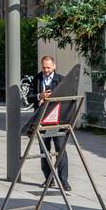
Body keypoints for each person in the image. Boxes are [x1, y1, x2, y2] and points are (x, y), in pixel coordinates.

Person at [30, 55, 70, 192]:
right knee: (44, 151)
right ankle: (48, 179)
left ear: (54, 66)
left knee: (61, 150)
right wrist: (39, 96)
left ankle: (64, 181)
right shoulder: (37, 79)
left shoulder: (62, 80)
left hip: (57, 120)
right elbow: (29, 97)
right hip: (42, 120)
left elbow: (68, 101)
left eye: (48, 67)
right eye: (43, 67)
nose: (46, 70)